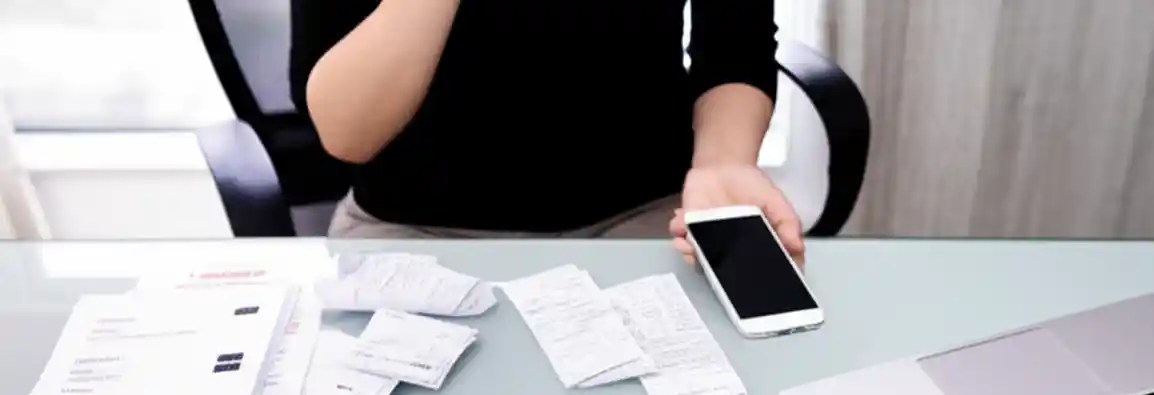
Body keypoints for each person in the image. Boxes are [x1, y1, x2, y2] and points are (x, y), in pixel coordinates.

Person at [291, 0, 805, 266]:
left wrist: (723, 162)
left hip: (641, 215)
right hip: (417, 228)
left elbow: (736, 45)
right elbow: (346, 132)